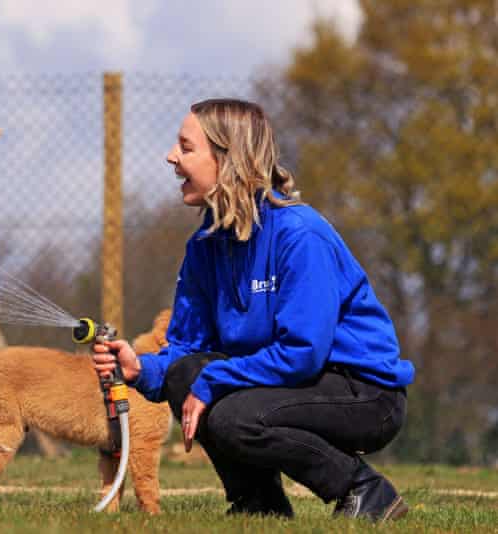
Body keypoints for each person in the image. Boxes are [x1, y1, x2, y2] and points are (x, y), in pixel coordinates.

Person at [92, 99, 415, 522]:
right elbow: (188, 349)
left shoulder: (300, 236)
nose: (171, 156)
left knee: (231, 416)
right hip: (293, 381)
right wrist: (141, 370)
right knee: (184, 373)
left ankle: (365, 492)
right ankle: (259, 506)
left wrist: (217, 379)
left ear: (228, 159)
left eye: (186, 147)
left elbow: (303, 352)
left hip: (363, 392)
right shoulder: (204, 245)